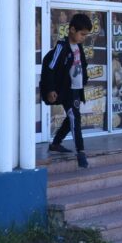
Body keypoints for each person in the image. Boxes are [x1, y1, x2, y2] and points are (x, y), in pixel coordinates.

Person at [40, 13, 92, 168]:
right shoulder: (61, 47)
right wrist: (50, 90)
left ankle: (55, 143)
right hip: (66, 90)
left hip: (76, 89)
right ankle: (81, 153)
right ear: (72, 30)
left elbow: (82, 65)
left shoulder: (79, 47)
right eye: (82, 34)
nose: (84, 37)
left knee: (72, 118)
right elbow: (50, 68)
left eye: (86, 35)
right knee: (75, 118)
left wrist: (84, 79)